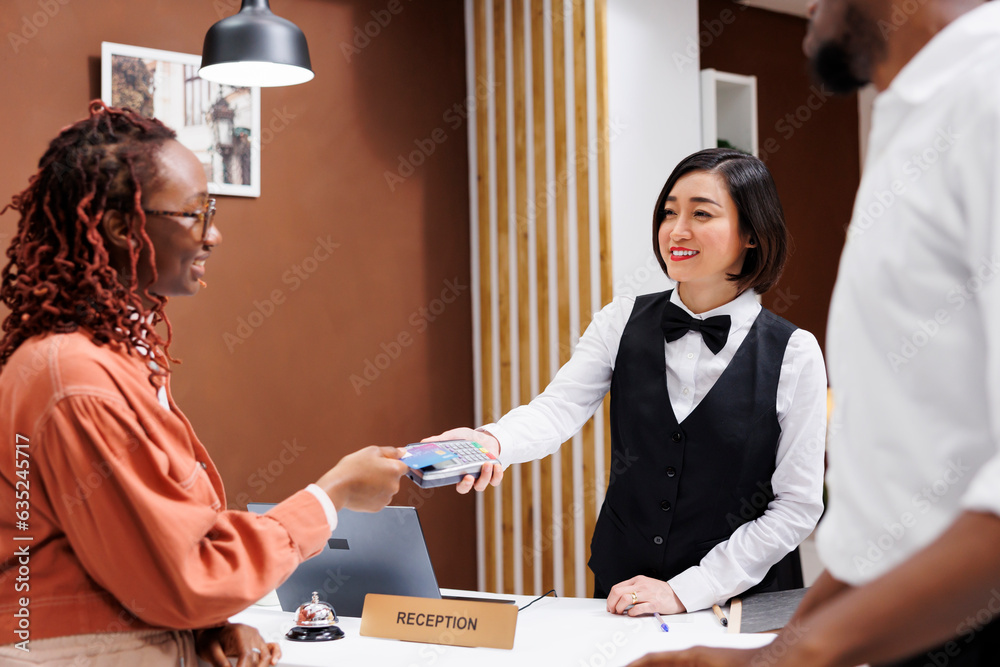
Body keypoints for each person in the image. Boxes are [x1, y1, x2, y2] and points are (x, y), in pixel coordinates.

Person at [627, 1, 1000, 666]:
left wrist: (796, 655)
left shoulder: (987, 94)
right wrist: (774, 650)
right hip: (904, 625)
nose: (809, 12)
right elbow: (899, 510)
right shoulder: (915, 115)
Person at [0, 101, 409, 666]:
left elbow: (139, 562)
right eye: (195, 214)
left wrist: (207, 628)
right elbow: (185, 576)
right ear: (123, 228)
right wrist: (332, 496)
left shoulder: (101, 361)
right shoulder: (77, 380)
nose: (213, 234)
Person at [425, 148, 828, 615]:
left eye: (701, 213)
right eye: (669, 212)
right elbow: (558, 409)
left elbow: (796, 505)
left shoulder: (796, 353)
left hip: (740, 602)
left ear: (752, 234)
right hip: (624, 592)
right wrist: (488, 442)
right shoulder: (621, 320)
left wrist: (688, 589)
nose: (677, 230)